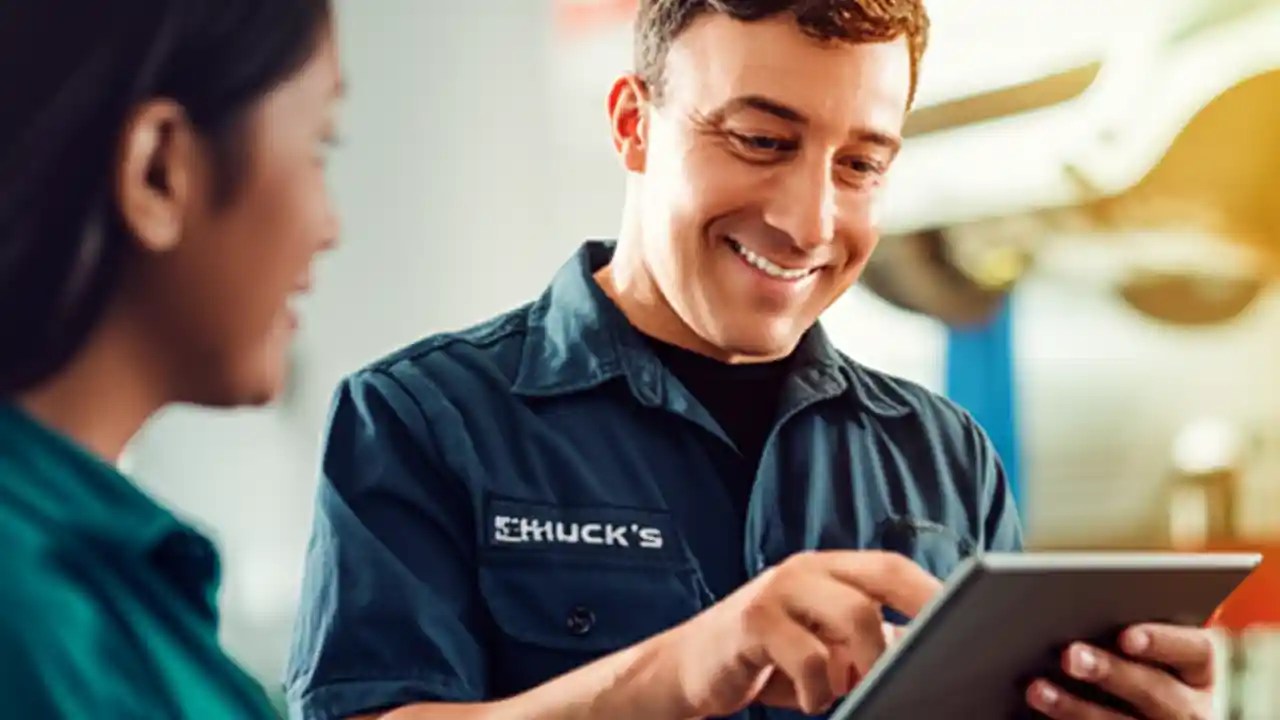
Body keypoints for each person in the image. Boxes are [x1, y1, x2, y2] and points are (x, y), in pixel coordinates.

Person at [286, 2, 1218, 719]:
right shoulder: (419, 422)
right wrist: (678, 675)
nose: (810, 222)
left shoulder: (946, 460)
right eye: (762, 141)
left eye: (860, 166)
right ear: (633, 125)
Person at [0, 0, 342, 716]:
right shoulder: (48, 626)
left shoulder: (92, 587)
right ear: (158, 169)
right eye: (320, 145)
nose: (329, 228)